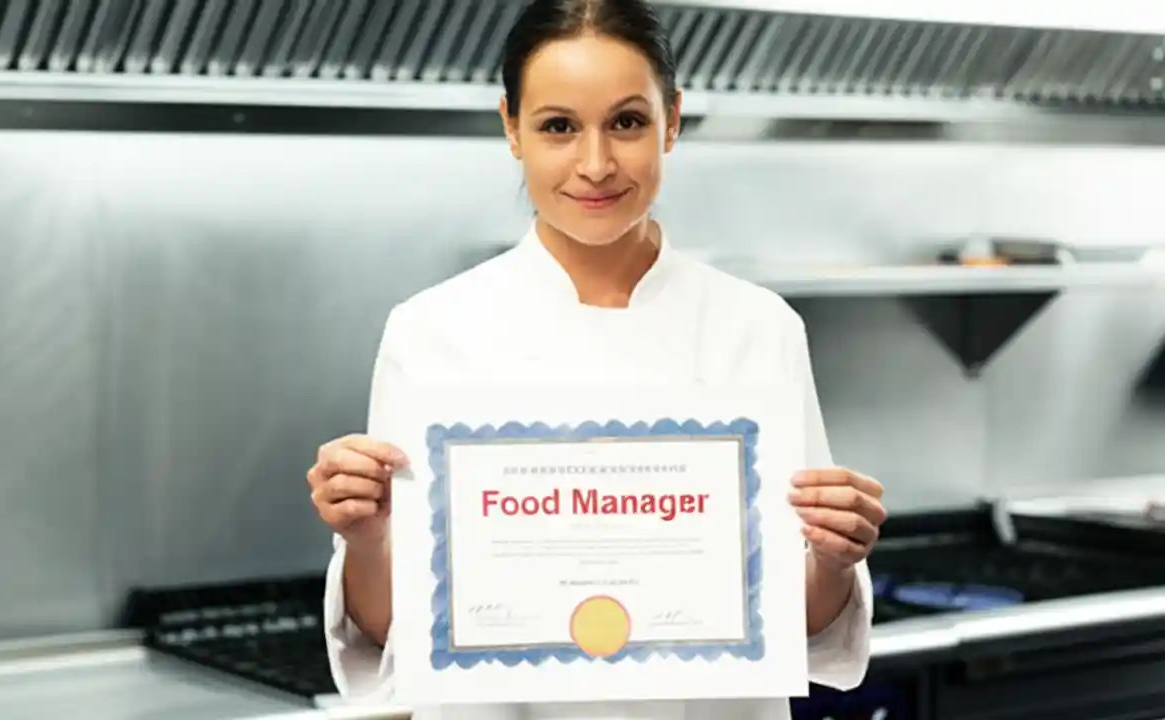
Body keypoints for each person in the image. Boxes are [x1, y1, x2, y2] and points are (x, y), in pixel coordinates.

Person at [306, 0, 888, 717]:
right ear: (511, 129)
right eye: (558, 126)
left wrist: (835, 557)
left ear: (671, 120)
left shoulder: (758, 327)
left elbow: (799, 625)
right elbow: (396, 638)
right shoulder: (432, 330)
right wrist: (365, 541)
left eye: (627, 122)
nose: (595, 163)